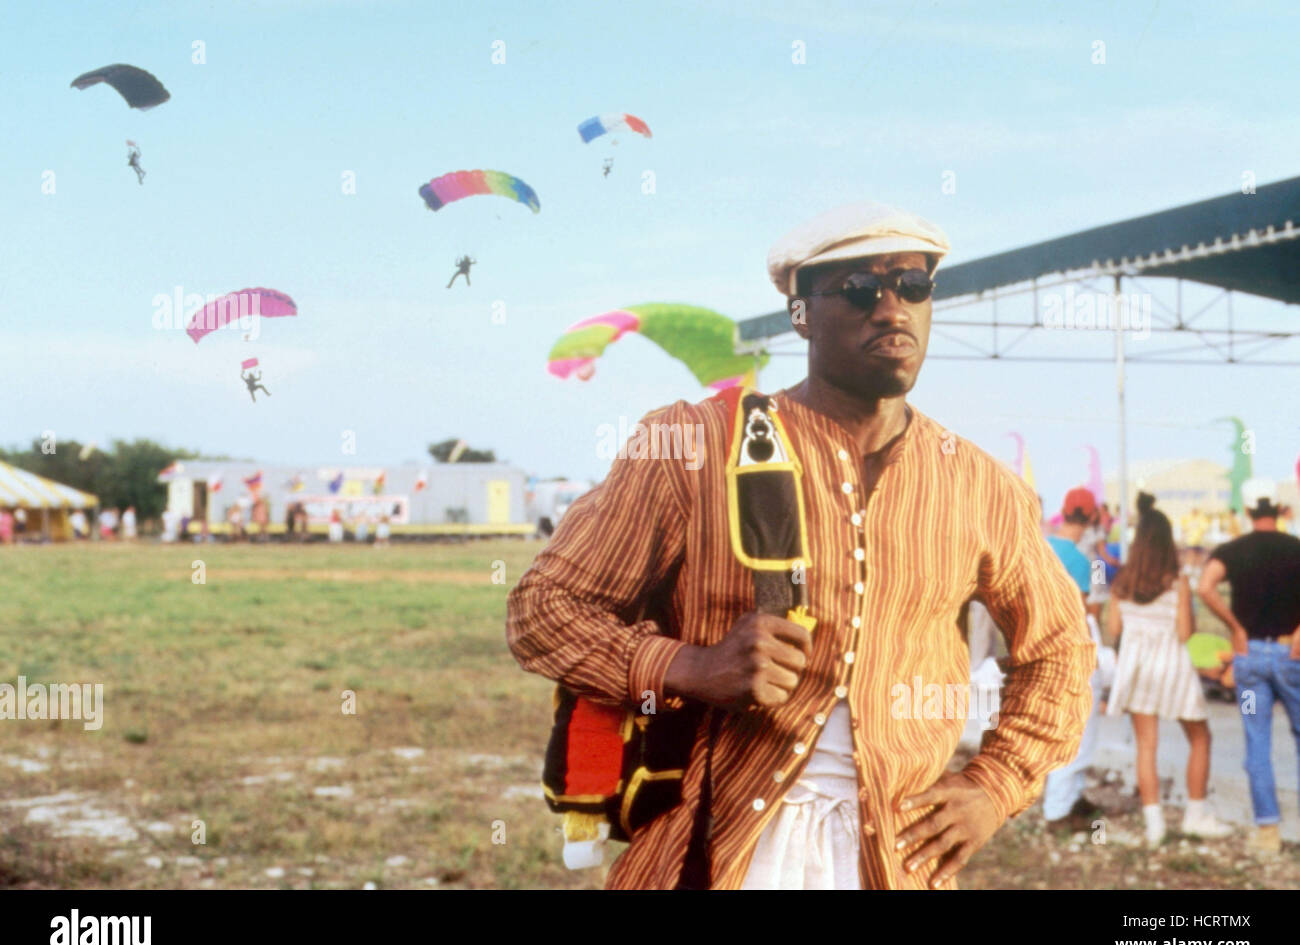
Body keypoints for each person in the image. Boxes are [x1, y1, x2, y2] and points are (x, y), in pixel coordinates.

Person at [506, 202, 1095, 890]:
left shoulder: (978, 483)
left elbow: (1060, 648)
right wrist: (687, 665)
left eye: (912, 285)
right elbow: (542, 610)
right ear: (802, 313)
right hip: (712, 851)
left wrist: (995, 784)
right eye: (857, 289)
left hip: (896, 862)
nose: (890, 308)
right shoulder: (695, 445)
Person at [1105, 493, 1231, 845]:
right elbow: (1185, 633)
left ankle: (1155, 825)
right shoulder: (1177, 582)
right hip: (1171, 665)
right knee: (1200, 737)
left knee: (1147, 746)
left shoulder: (1122, 582)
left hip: (1136, 667)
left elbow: (1113, 629)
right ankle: (1195, 814)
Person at [1197, 478, 1300, 855]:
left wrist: (1235, 627)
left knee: (1257, 743)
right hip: (1293, 657)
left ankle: (1268, 832)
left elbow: (1204, 587)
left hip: (1250, 658)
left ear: (1247, 510)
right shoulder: (1295, 548)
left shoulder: (1232, 550)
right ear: (1279, 508)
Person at [1040, 488, 1106, 832]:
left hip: (1039, 644)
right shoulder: (1083, 561)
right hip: (1070, 647)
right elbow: (1081, 612)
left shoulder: (1040, 548)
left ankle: (1070, 798)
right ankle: (1059, 810)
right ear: (1093, 517)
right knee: (1079, 728)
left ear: (1063, 513)